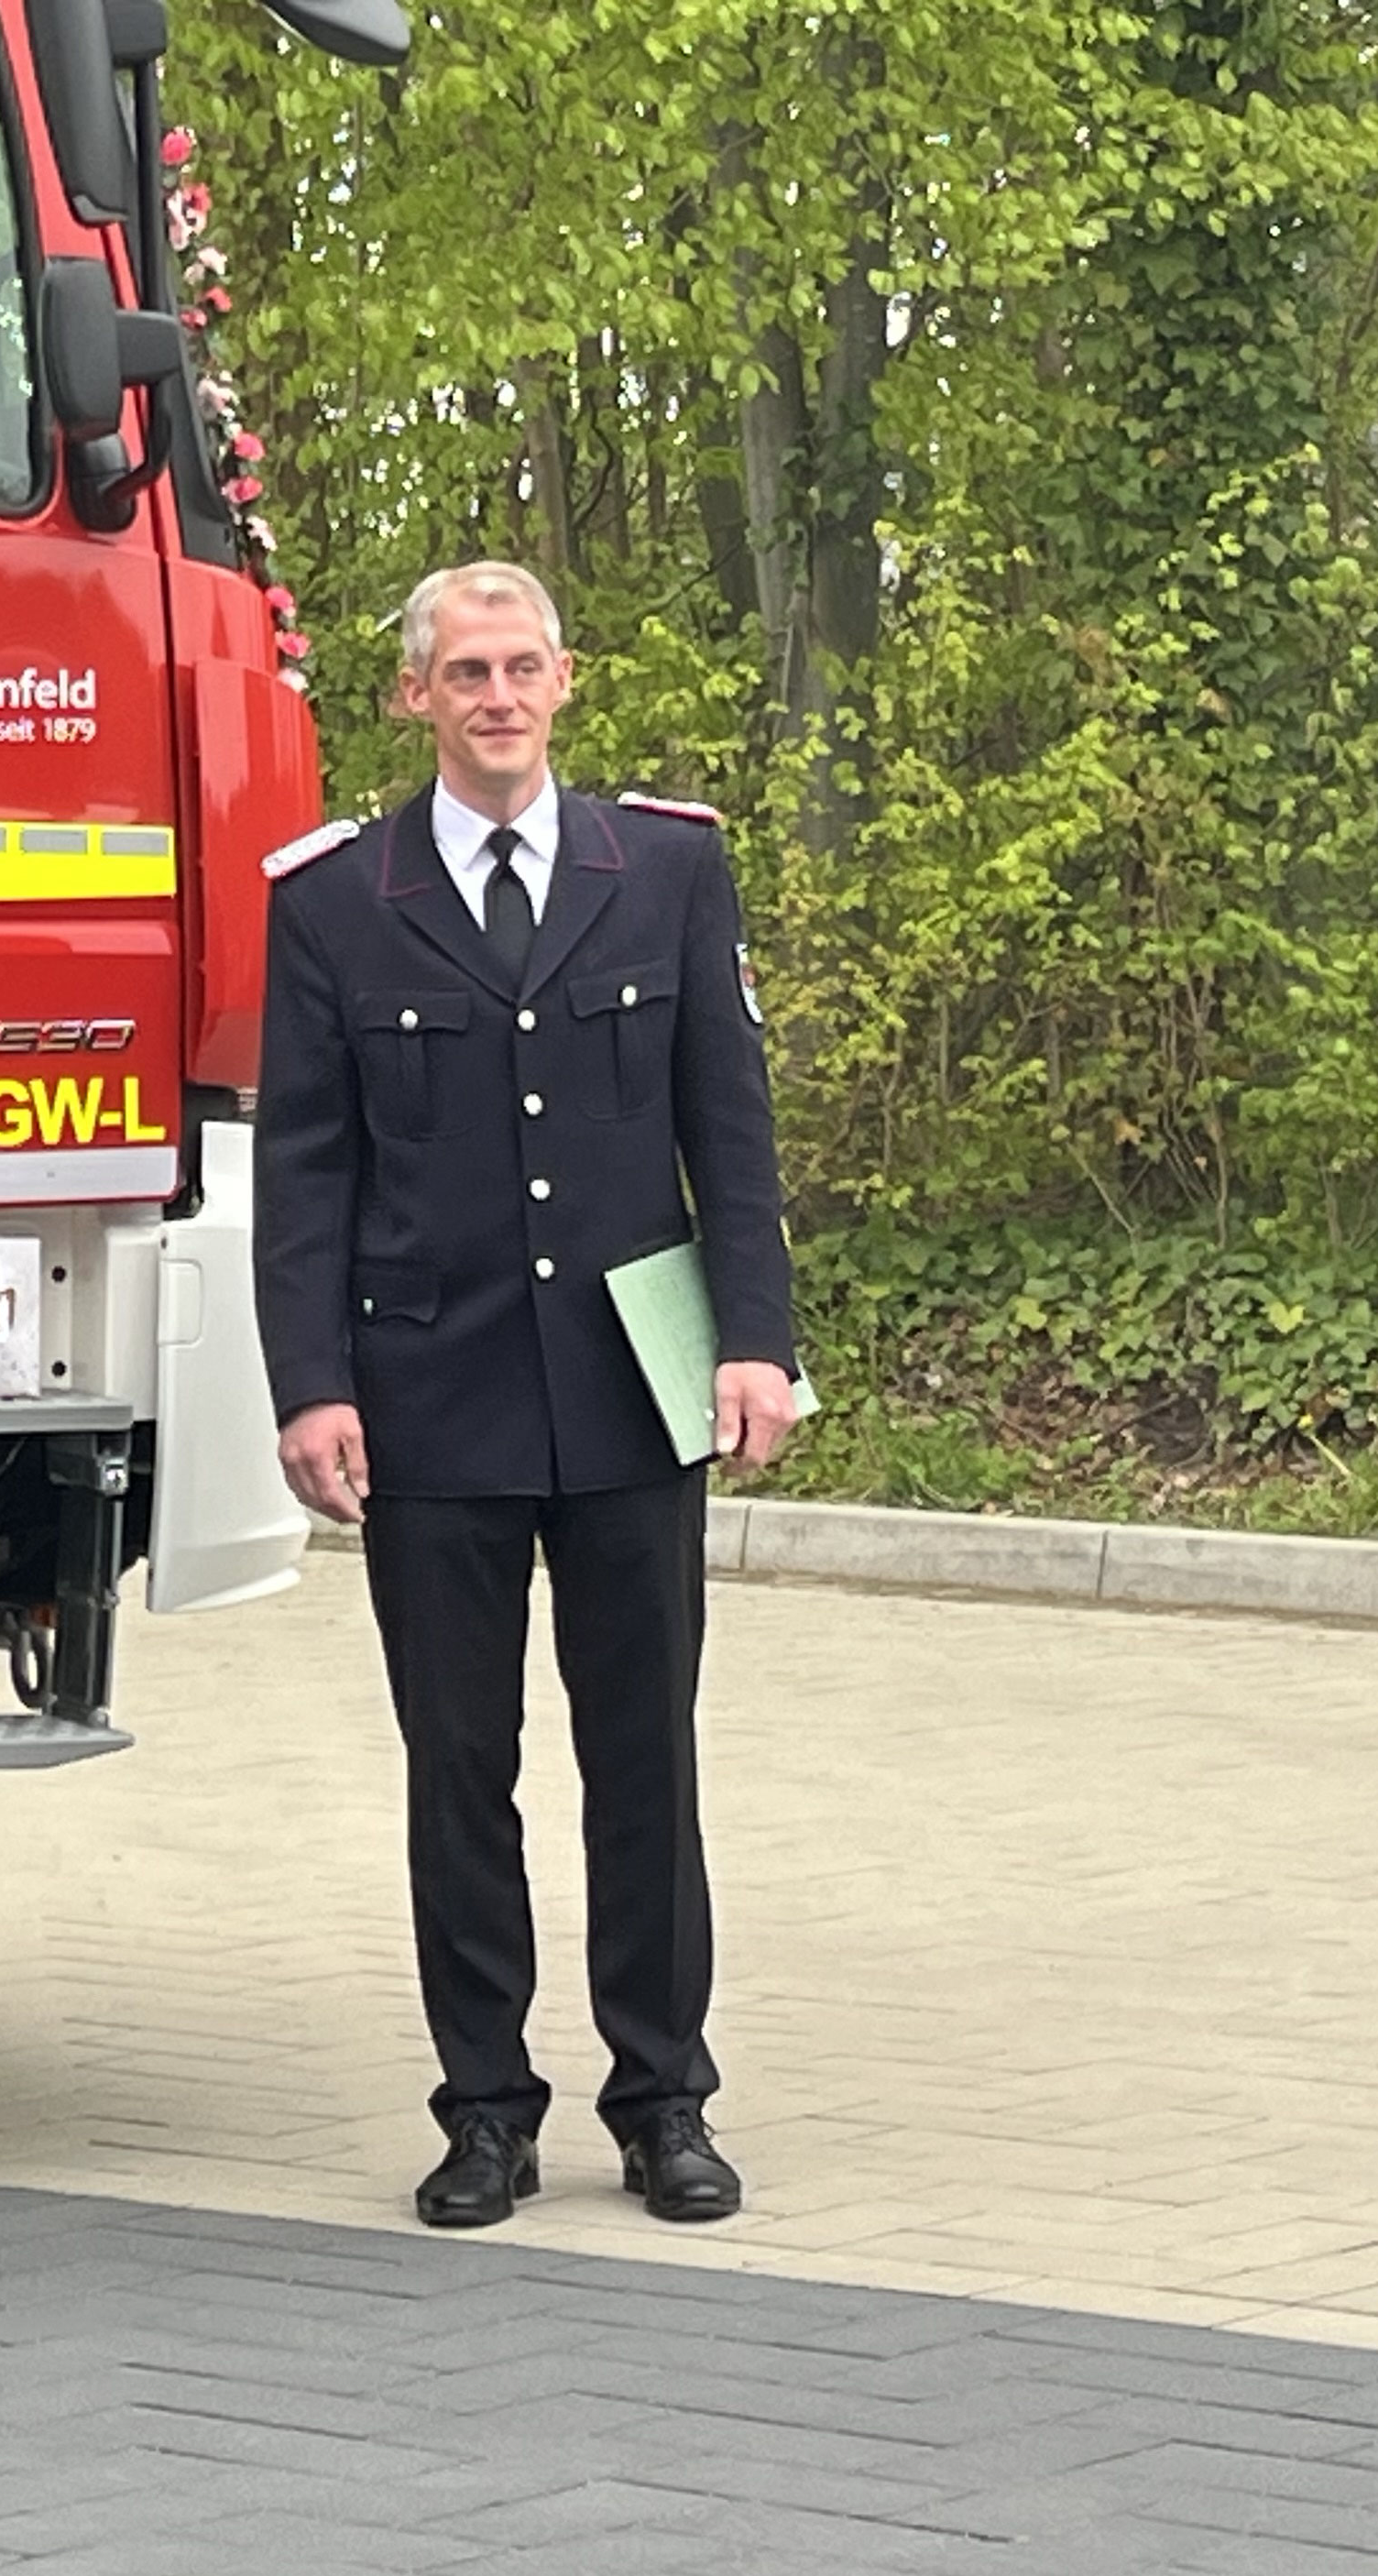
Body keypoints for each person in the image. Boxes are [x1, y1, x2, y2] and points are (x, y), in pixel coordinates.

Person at [253, 560, 799, 2233]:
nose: (497, 697)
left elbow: (729, 1126)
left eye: (521, 668)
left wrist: (758, 1340)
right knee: (459, 1770)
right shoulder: (338, 901)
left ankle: (664, 2101)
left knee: (645, 1763)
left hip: (632, 1392)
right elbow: (306, 1168)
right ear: (413, 696)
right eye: (465, 672)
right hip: (433, 1398)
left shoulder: (667, 871)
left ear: (566, 681)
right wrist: (311, 1385)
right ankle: (485, 2109)